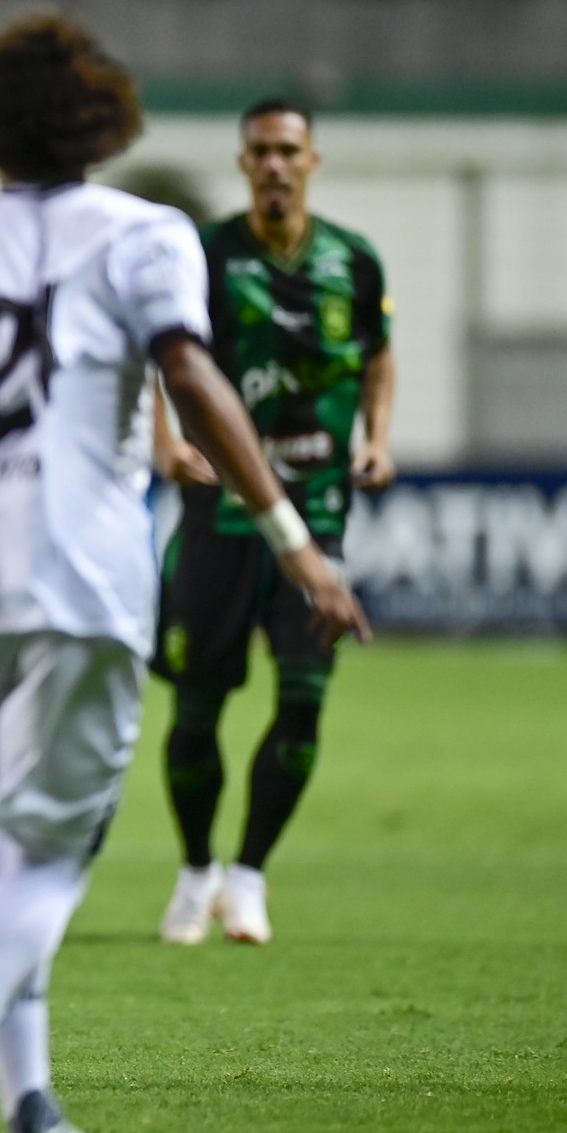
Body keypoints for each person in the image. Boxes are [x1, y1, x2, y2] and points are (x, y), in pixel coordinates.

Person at [0, 17, 369, 1133]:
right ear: (103, 121)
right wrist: (292, 541)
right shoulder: (145, 235)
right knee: (55, 860)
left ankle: (32, 1120)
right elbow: (189, 376)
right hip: (78, 579)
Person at [149, 100, 396, 947]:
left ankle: (249, 874)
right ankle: (195, 870)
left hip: (316, 518)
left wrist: (379, 439)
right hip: (217, 517)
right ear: (243, 161)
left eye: (290, 150)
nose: (277, 164)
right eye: (262, 151)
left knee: (303, 703)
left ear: (313, 160)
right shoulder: (207, 255)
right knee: (196, 707)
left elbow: (380, 353)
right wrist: (163, 440)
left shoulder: (353, 262)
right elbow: (165, 354)